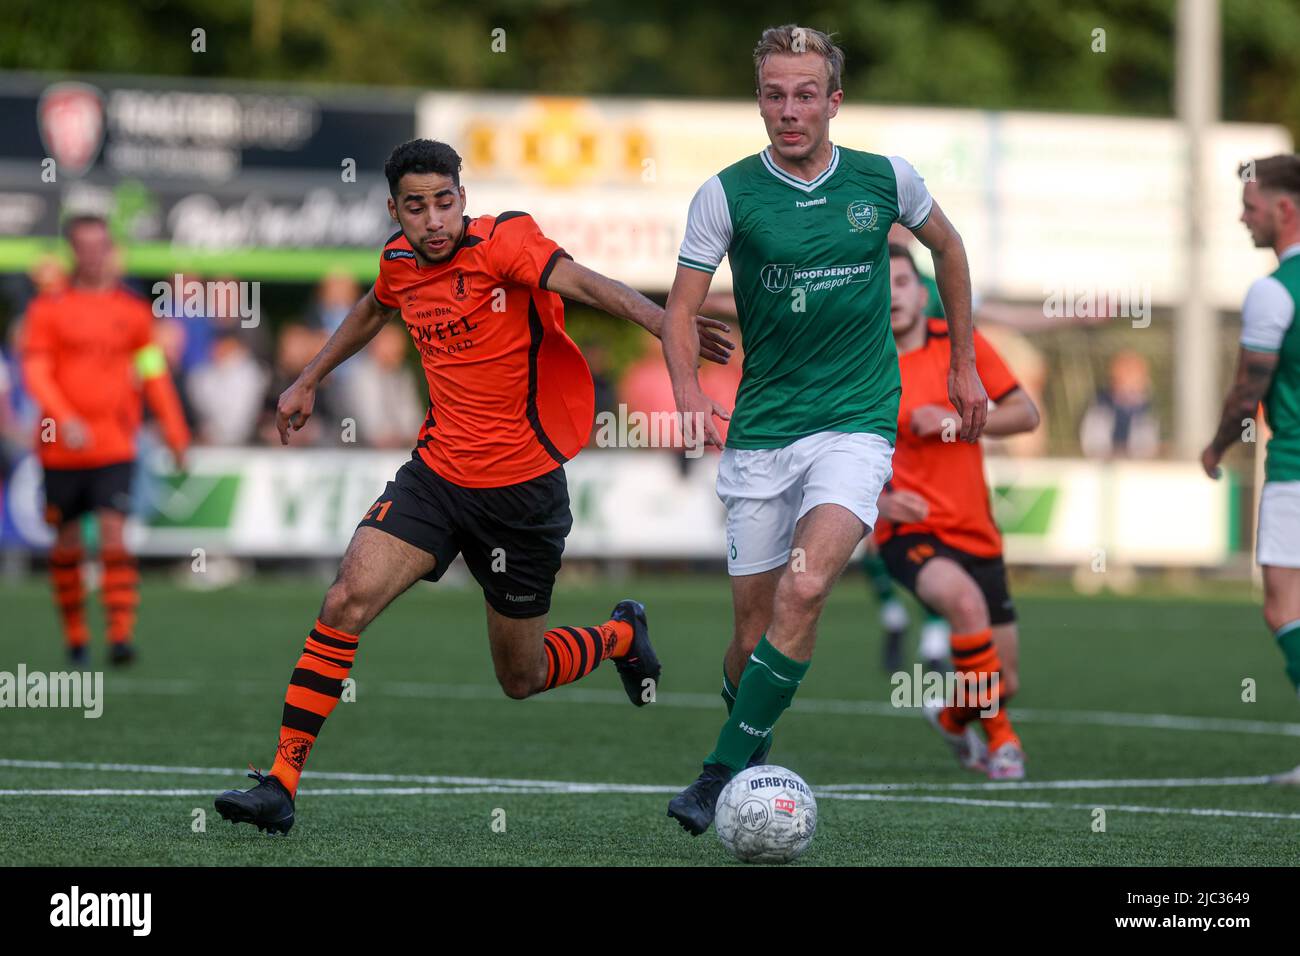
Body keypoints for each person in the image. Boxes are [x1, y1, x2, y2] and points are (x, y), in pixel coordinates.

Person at [214, 139, 734, 833]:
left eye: (445, 202)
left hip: (523, 496)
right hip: (436, 479)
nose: (433, 220)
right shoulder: (398, 263)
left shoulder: (504, 243)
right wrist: (308, 378)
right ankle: (280, 781)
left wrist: (667, 324)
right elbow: (374, 307)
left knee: (519, 677)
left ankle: (617, 635)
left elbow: (583, 284)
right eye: (416, 207)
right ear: (393, 210)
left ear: (463, 197)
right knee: (345, 600)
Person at [660, 24, 987, 835]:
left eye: (806, 94)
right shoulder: (726, 194)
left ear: (834, 101)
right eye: (774, 94)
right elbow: (679, 310)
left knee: (806, 589)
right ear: (760, 100)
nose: (788, 109)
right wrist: (686, 390)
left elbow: (949, 247)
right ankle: (754, 752)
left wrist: (963, 364)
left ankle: (715, 775)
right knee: (750, 634)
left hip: (854, 424)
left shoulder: (885, 180)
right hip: (764, 428)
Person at [875, 244, 1039, 779]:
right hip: (907, 528)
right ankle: (1003, 742)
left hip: (977, 530)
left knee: (1003, 681)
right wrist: (878, 500)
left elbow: (1025, 413)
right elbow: (825, 446)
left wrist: (952, 417)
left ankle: (951, 718)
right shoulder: (860, 361)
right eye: (881, 284)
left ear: (923, 294)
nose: (892, 294)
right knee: (964, 604)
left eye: (901, 282)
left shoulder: (962, 348)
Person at [19, 214, 190, 665]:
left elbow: (152, 373)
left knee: (114, 534)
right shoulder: (47, 310)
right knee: (68, 543)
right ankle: (76, 634)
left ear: (109, 249)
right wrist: (65, 417)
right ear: (72, 251)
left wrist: (175, 429)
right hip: (61, 447)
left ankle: (119, 635)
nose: (93, 254)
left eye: (100, 245)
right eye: (84, 246)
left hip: (114, 443)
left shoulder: (132, 312)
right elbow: (35, 372)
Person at [1202, 154, 1300, 785]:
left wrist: (1217, 446)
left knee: (1283, 607)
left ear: (1285, 209)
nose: (1243, 217)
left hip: (1294, 470)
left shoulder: (1273, 290)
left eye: (1251, 205)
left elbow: (1247, 391)